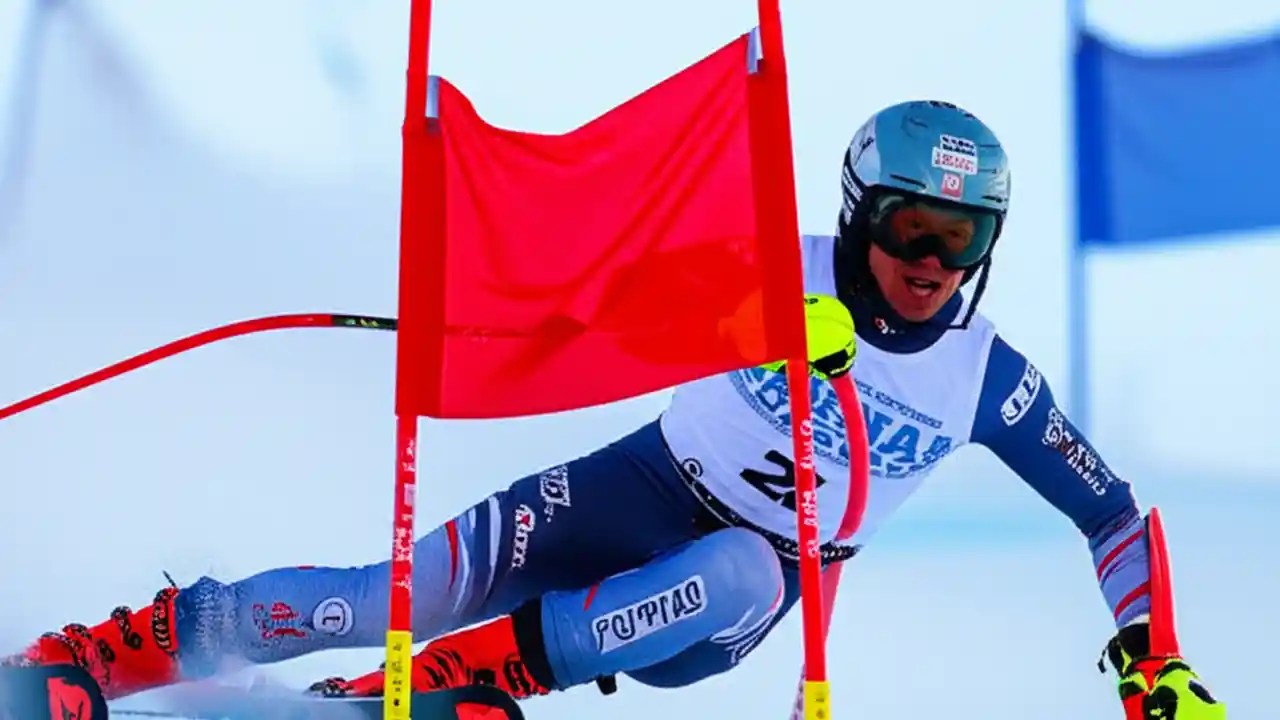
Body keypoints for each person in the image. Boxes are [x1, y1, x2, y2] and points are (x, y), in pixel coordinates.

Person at [4, 101, 1225, 719]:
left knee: (746, 572)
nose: (932, 262)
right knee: (374, 598)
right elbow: (590, 305)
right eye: (913, 227)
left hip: (726, 587)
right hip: (624, 486)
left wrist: (1149, 657)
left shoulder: (985, 374)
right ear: (861, 214)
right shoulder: (769, 263)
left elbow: (1110, 514)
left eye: (962, 239)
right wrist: (732, 321)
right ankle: (95, 662)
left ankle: (452, 688)